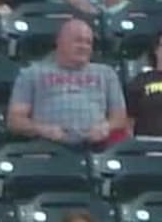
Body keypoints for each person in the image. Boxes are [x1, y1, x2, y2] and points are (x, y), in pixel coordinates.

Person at [7, 18, 129, 149]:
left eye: (88, 43)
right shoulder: (31, 73)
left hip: (95, 147)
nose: (84, 47)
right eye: (78, 41)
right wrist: (42, 129)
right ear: (59, 42)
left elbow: (120, 117)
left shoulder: (106, 73)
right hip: (48, 147)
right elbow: (15, 121)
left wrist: (106, 127)